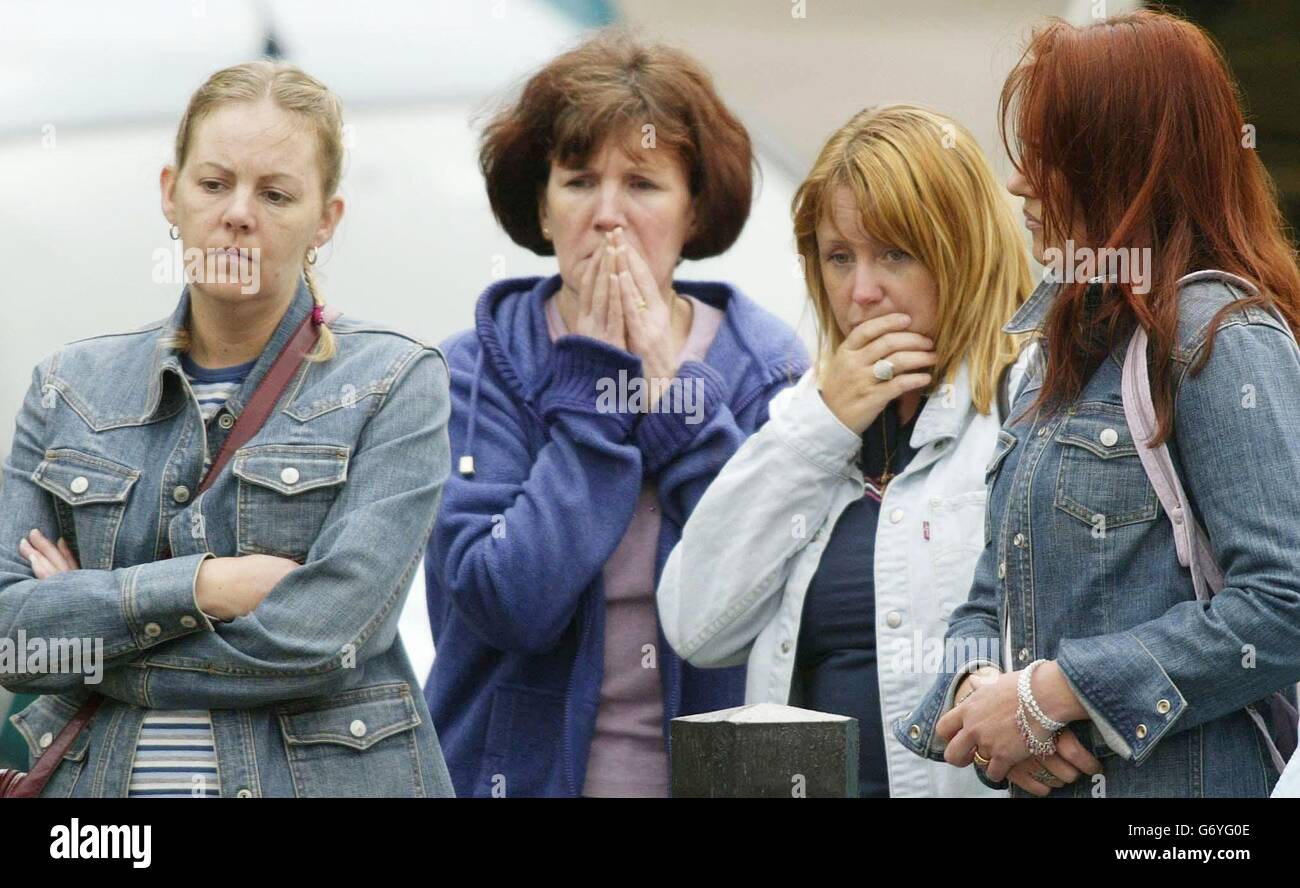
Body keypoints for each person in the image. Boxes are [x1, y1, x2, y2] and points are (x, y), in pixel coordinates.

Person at [0, 60, 454, 797]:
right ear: (169, 195)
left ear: (326, 220)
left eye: (275, 193)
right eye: (214, 184)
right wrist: (214, 584)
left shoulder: (394, 382)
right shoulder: (66, 387)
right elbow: (11, 635)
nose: (239, 212)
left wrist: (96, 625)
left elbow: (326, 637)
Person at [894, 9, 1300, 797]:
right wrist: (978, 694)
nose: (1016, 182)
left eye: (1046, 158)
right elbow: (991, 594)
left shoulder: (1218, 336)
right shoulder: (1053, 350)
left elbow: (1286, 601)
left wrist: (1055, 695)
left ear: (1124, 167)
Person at [424, 30, 808, 797]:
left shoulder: (765, 371)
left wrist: (683, 412)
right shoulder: (474, 370)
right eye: (577, 181)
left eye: (642, 183)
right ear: (540, 206)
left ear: (694, 210)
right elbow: (507, 602)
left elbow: (763, 598)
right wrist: (597, 401)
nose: (608, 215)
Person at [658, 104, 1032, 797]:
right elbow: (694, 624)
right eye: (839, 257)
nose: (861, 292)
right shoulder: (808, 417)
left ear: (963, 252)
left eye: (894, 253)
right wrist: (819, 427)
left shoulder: (1033, 406)